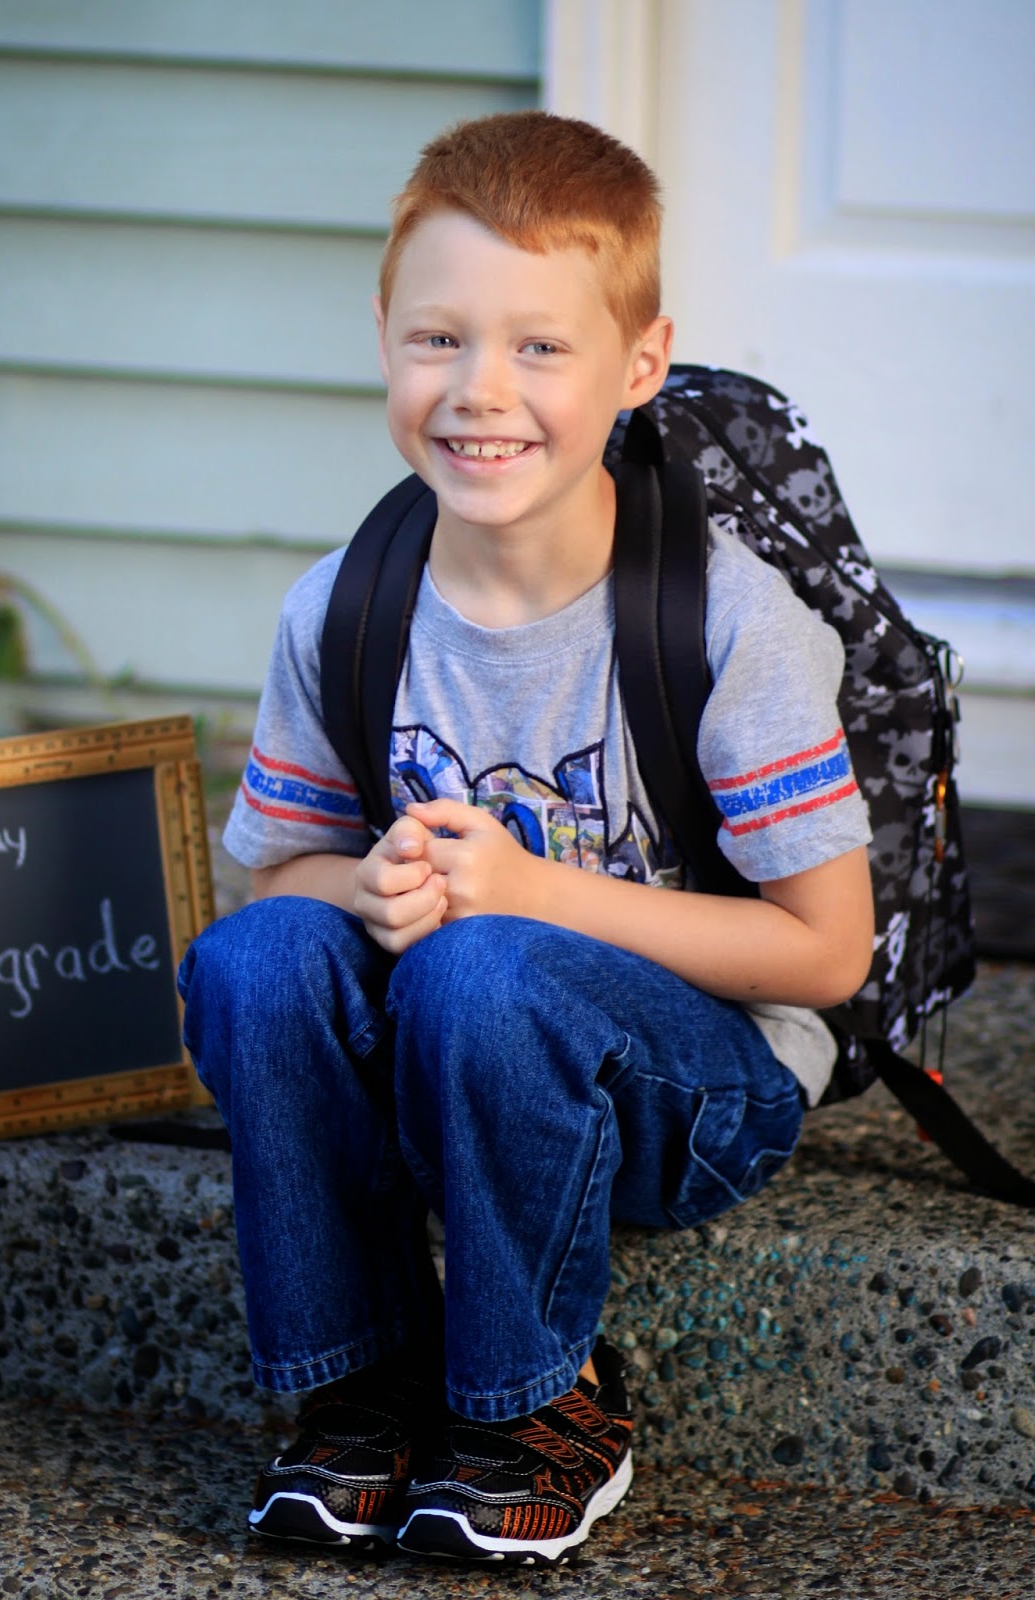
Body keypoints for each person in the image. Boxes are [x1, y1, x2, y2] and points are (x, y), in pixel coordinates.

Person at [177, 110, 873, 1567]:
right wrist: (365, 884)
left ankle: (538, 1405)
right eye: (439, 339)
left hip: (694, 1091)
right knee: (253, 959)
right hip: (451, 1054)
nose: (480, 391)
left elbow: (823, 952)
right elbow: (282, 878)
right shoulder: (348, 609)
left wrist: (531, 895)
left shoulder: (727, 626)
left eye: (540, 349)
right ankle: (356, 1391)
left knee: (490, 965)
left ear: (639, 363)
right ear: (383, 335)